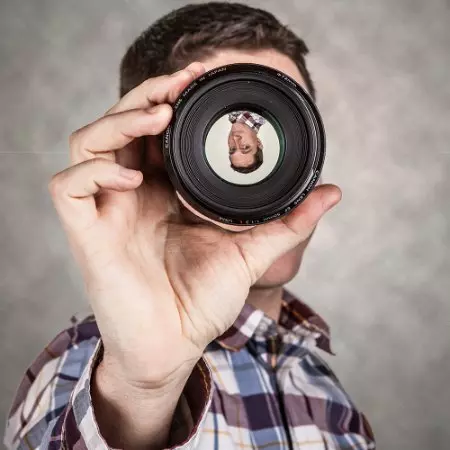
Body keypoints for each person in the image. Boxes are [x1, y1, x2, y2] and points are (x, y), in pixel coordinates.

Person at [4, 3, 376, 449]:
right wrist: (141, 387)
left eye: (284, 115)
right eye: (223, 131)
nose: (275, 185)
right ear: (152, 155)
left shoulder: (325, 390)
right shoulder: (83, 370)